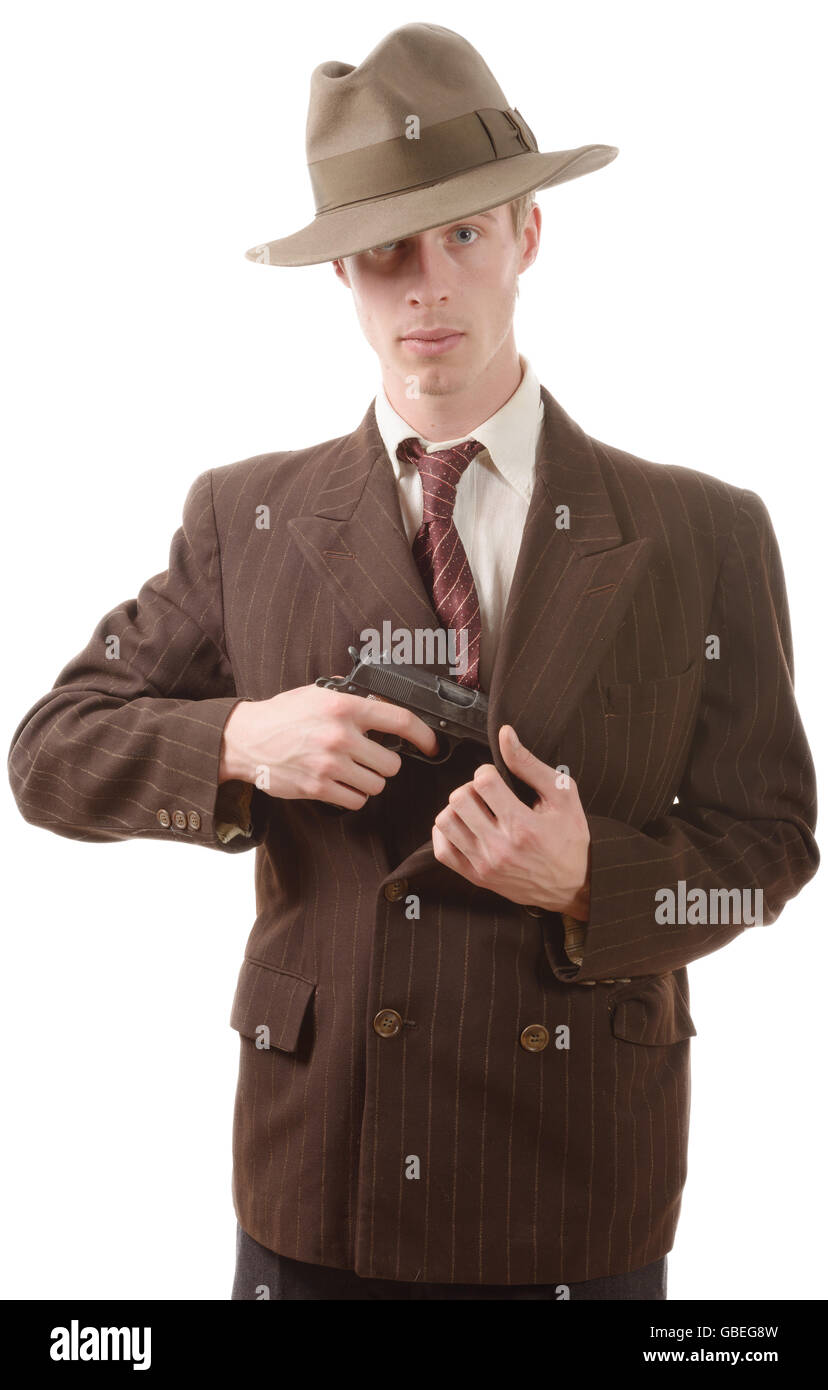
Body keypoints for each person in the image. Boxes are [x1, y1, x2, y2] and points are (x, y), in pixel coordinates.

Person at [8, 23, 819, 1302]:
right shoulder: (245, 515)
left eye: (463, 236)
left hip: (578, 1186)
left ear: (528, 237)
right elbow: (48, 753)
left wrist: (593, 878)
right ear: (341, 272)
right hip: (323, 1179)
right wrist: (238, 741)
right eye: (383, 250)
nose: (425, 286)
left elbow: (770, 848)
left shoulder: (703, 531)